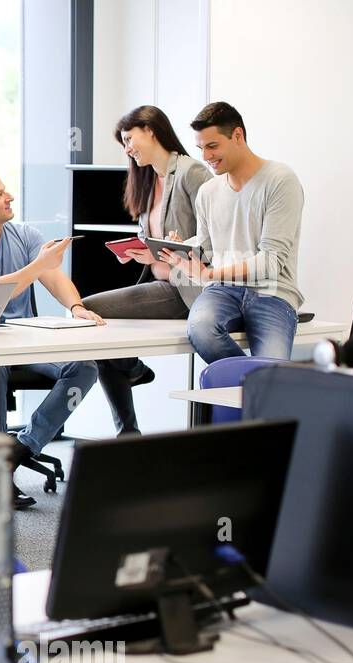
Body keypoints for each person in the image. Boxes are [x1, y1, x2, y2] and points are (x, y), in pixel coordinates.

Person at [0, 164, 101, 498]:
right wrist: (39, 264)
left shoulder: (24, 235)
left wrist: (76, 307)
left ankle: (23, 447)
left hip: (25, 342)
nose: (9, 197)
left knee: (84, 367)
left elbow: (54, 278)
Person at [82, 106, 212, 435]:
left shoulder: (190, 172)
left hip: (188, 289)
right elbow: (157, 245)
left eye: (129, 139)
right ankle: (128, 425)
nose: (127, 148)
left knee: (90, 310)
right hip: (162, 283)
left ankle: (133, 374)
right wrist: (143, 254)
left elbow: (217, 234)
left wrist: (184, 247)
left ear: (150, 130)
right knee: (89, 316)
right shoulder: (149, 180)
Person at [160, 102, 305, 363]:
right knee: (201, 330)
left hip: (272, 291)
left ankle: (259, 387)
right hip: (222, 291)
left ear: (238, 136)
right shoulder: (209, 192)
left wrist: (210, 274)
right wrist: (178, 250)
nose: (205, 156)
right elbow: (207, 247)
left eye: (212, 146)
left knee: (272, 366)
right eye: (201, 148)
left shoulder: (280, 180)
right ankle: (256, 387)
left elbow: (270, 262)